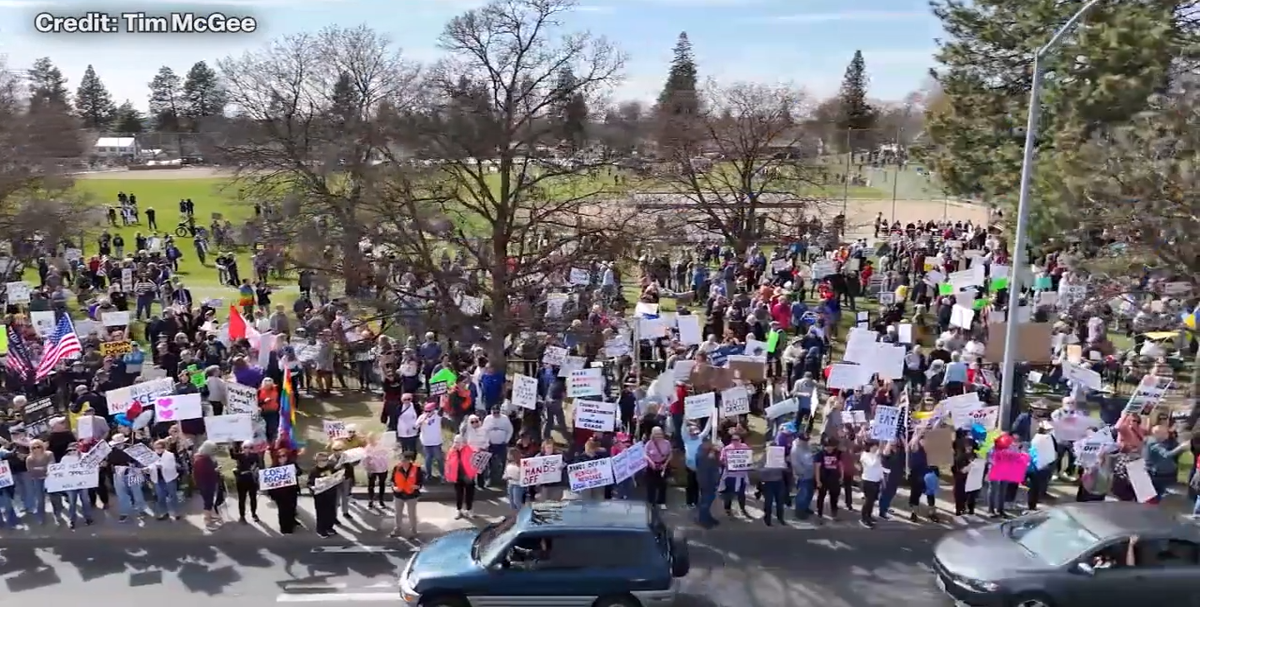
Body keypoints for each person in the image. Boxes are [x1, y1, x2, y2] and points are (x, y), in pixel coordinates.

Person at [269, 444, 302, 534]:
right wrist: (272, 494)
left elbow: (300, 472)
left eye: (284, 456)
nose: (282, 458)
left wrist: (296, 471)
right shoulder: (273, 468)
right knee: (283, 510)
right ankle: (284, 528)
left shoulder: (292, 464)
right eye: (279, 456)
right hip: (280, 494)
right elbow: (269, 482)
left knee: (291, 508)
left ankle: (292, 523)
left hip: (291, 491)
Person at [390, 451, 424, 538]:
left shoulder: (417, 469)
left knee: (411, 514)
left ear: (410, 461)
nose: (403, 462)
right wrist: (394, 488)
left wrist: (417, 486)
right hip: (399, 494)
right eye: (401, 460)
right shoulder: (396, 468)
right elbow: (392, 480)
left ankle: (413, 530)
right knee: (398, 513)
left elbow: (421, 481)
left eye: (405, 460)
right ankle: (397, 529)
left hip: (412, 495)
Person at [444, 436, 477, 519]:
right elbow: (448, 464)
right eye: (455, 441)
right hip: (457, 476)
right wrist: (448, 475)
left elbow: (474, 464)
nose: (456, 444)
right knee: (459, 495)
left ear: (463, 443)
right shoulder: (452, 451)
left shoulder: (469, 450)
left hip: (468, 476)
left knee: (469, 495)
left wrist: (472, 475)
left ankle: (469, 510)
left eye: (458, 442)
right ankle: (459, 510)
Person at [230, 440, 262, 524]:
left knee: (253, 498)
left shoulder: (255, 455)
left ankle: (254, 514)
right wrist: (231, 445)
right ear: (242, 448)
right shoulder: (240, 456)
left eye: (250, 447)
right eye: (245, 447)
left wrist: (255, 469)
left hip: (252, 479)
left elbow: (259, 465)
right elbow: (232, 455)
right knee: (242, 498)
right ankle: (242, 516)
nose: (247, 449)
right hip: (241, 479)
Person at [309, 453, 341, 538]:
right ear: (317, 461)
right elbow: (310, 483)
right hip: (320, 496)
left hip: (331, 494)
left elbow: (337, 476)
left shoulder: (331, 467)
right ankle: (321, 530)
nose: (325, 462)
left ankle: (329, 527)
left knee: (331, 512)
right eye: (323, 460)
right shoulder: (314, 471)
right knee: (321, 513)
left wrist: (339, 478)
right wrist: (312, 487)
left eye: (326, 460)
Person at [192, 441, 223, 528]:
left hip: (205, 483)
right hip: (206, 484)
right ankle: (207, 521)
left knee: (209, 501)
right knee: (208, 502)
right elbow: (206, 472)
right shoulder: (203, 460)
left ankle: (210, 516)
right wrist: (216, 470)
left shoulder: (201, 458)